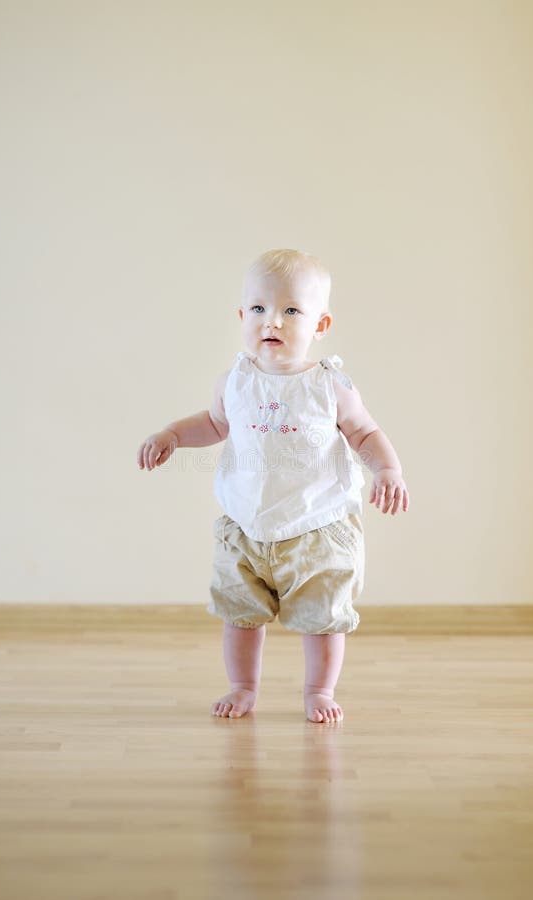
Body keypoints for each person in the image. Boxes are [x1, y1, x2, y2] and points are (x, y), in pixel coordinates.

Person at [137, 249, 409, 724]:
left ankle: (319, 690)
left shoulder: (330, 385)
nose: (273, 322)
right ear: (243, 316)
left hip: (317, 528)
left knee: (323, 619)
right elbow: (215, 423)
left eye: (291, 311)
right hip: (246, 527)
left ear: (320, 326)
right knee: (239, 615)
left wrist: (387, 470)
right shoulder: (236, 381)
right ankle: (242, 686)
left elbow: (365, 433)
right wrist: (174, 435)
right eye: (260, 309)